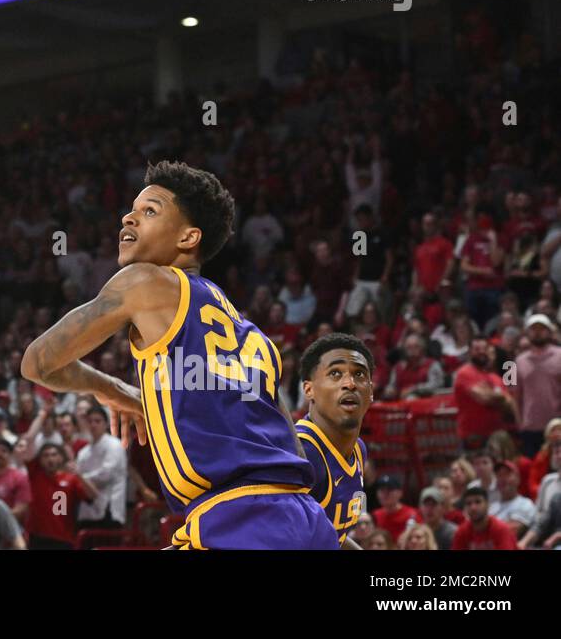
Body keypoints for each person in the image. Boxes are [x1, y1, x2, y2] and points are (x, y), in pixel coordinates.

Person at [23, 162, 338, 549]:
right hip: (302, 519)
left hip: (241, 518)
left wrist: (112, 390)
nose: (129, 217)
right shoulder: (254, 338)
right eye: (133, 209)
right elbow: (293, 448)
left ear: (189, 237)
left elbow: (38, 362)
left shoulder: (146, 281)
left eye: (150, 210)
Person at [296, 333, 374, 547]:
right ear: (308, 389)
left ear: (371, 392)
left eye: (359, 374)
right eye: (335, 373)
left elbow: (331, 536)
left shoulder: (359, 450)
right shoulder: (302, 454)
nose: (350, 384)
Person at [24, 442, 97, 549]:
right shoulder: (35, 475)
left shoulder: (71, 479)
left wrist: (79, 474)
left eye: (54, 455)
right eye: (46, 455)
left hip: (63, 538)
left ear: (61, 458)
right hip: (38, 537)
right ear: (40, 460)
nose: (50, 459)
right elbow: (29, 440)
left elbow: (93, 496)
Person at [453, 337, 518, 449]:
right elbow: (484, 399)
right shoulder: (464, 373)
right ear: (470, 352)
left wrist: (494, 396)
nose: (482, 352)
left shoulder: (495, 378)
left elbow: (509, 405)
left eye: (485, 348)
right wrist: (499, 397)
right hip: (473, 437)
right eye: (477, 349)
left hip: (495, 436)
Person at [73, 406, 128, 531]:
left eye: (97, 421)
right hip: (87, 511)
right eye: (90, 421)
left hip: (110, 510)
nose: (93, 425)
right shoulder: (83, 452)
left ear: (106, 423)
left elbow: (106, 474)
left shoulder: (115, 445)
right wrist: (79, 478)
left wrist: (81, 477)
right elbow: (76, 481)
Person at [514, 315, 561, 457]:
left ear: (549, 331)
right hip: (530, 427)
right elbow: (514, 396)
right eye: (534, 329)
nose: (538, 332)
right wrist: (519, 424)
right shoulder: (517, 361)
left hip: (557, 425)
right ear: (527, 333)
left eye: (542, 329)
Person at [451, 483, 517, 550]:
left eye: (478, 502)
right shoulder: (462, 532)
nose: (473, 507)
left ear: (487, 505)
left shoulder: (501, 529)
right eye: (469, 503)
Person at [488, 461, 536, 537]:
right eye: (499, 475)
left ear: (518, 479)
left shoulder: (525, 504)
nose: (502, 479)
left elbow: (510, 531)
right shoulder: (491, 506)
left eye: (507, 474)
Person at [372, 475, 418, 542]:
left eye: (389, 489)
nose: (385, 494)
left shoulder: (412, 514)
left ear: (400, 493)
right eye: (382, 490)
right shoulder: (375, 515)